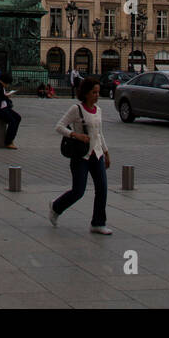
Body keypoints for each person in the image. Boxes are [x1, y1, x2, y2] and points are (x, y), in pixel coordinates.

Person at [50, 77, 112, 234]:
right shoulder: (76, 109)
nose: (97, 95)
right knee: (78, 191)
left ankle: (98, 223)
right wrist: (75, 135)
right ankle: (56, 207)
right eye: (94, 92)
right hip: (81, 155)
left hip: (96, 154)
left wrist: (106, 151)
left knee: (102, 188)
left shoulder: (98, 110)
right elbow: (59, 127)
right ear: (85, 93)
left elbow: (99, 133)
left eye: (98, 92)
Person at [0, 71, 21, 148]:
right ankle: (8, 141)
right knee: (12, 121)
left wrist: (6, 96)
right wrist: (7, 96)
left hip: (4, 108)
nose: (7, 85)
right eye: (8, 83)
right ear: (5, 81)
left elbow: (1, 96)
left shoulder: (0, 86)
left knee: (18, 117)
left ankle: (11, 138)